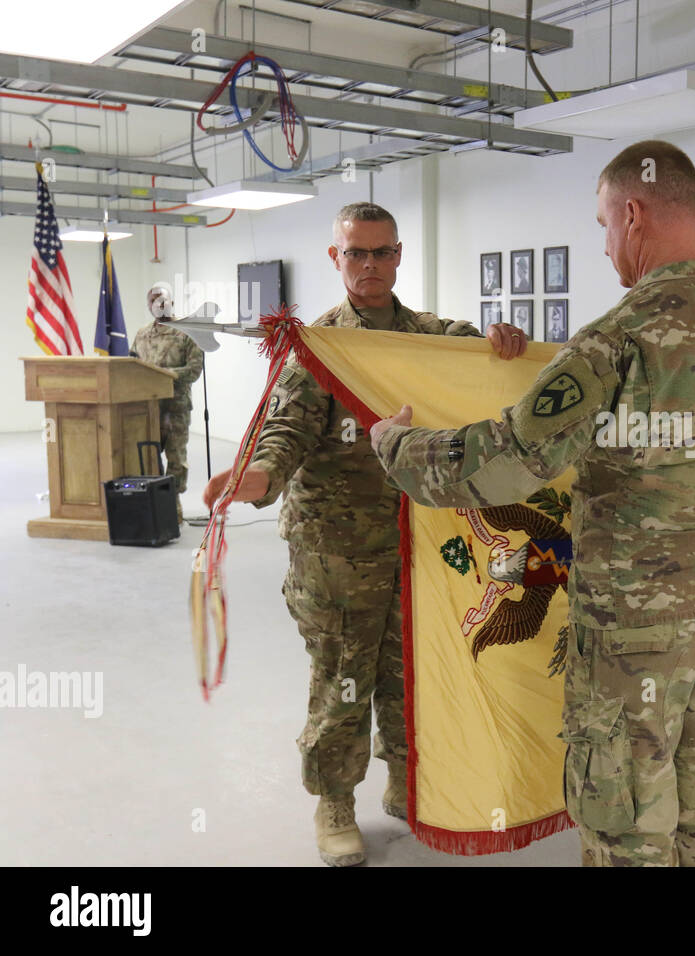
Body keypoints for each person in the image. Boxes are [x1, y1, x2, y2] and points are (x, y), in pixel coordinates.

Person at [369, 140, 695, 866]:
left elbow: (505, 467)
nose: (607, 244)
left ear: (634, 215)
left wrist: (396, 447)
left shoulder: (615, 340)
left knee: (629, 845)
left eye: (605, 224)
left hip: (633, 647)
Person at [201, 201, 528, 867]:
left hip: (415, 546)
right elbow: (285, 429)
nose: (369, 265)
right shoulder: (322, 347)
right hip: (337, 555)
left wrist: (505, 346)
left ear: (399, 255)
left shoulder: (425, 336)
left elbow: (478, 358)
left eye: (381, 252)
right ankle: (335, 801)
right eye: (356, 253)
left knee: (412, 673)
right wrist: (257, 477)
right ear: (336, 258)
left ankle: (407, 784)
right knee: (345, 680)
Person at [131, 285, 203, 522]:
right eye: (153, 300)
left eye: (162, 299)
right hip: (146, 409)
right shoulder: (142, 334)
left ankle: (174, 507)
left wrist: (162, 374)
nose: (158, 304)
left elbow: (193, 370)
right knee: (149, 457)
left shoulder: (187, 332)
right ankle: (154, 502)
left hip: (175, 408)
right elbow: (131, 365)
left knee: (175, 459)